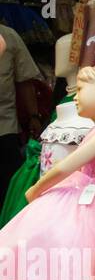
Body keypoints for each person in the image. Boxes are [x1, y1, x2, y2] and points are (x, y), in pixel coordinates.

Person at [0, 25, 42, 196]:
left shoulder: (9, 36)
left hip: (4, 127)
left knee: (7, 187)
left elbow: (24, 80)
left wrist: (34, 116)